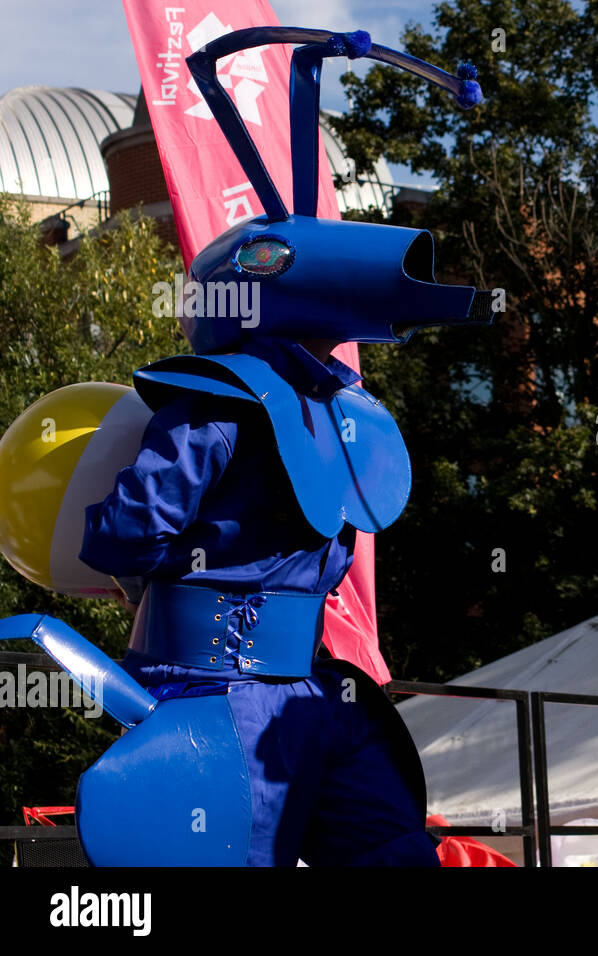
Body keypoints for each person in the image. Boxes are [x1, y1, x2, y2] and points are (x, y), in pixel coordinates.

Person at [72, 28, 491, 866]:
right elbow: (333, 559)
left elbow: (122, 531)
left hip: (220, 696)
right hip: (312, 694)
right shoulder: (344, 413)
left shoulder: (213, 401)